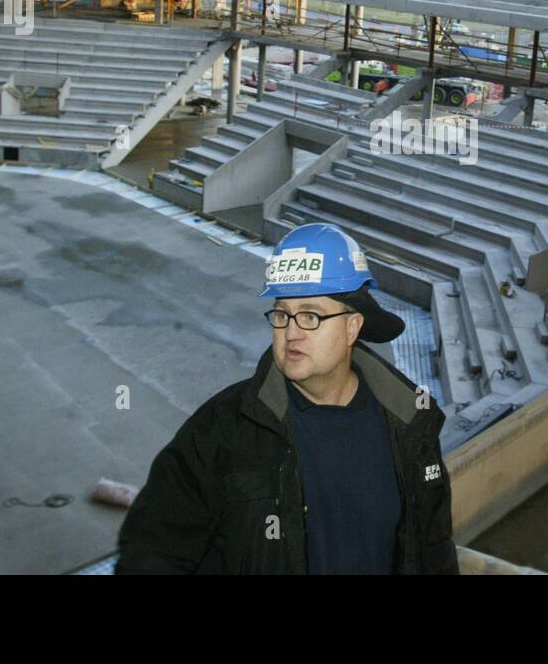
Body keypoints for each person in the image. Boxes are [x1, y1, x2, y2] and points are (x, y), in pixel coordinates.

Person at [116, 222, 458, 574]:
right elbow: (152, 551)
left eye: (310, 315)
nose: (291, 332)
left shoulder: (411, 425)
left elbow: (434, 549)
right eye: (282, 314)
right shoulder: (219, 430)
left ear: (352, 327)